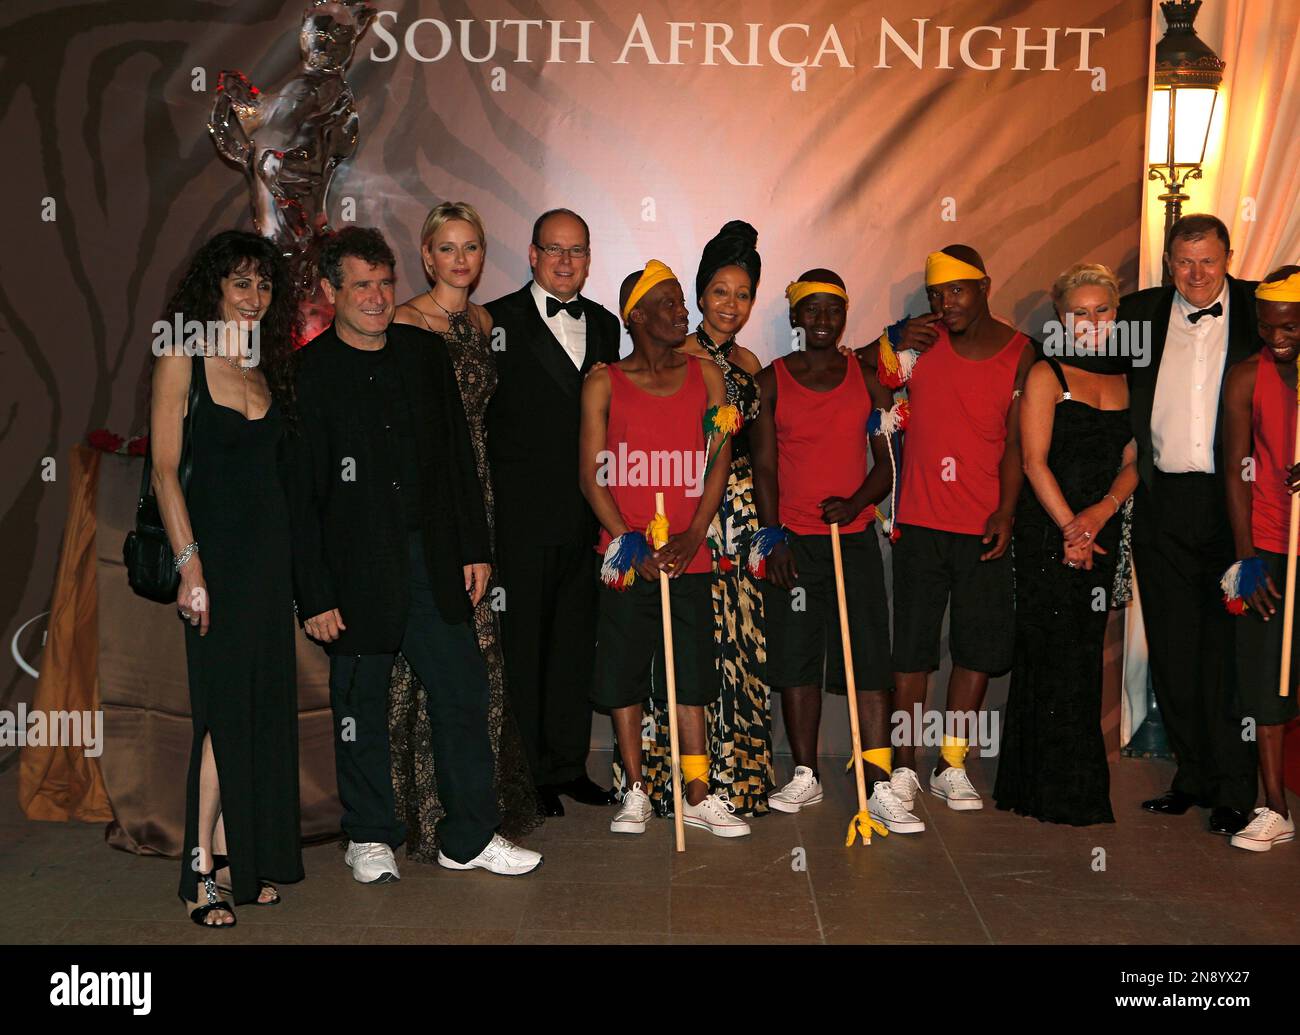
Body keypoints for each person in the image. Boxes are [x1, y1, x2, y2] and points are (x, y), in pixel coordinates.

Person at [283, 226, 541, 879]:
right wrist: (315, 594)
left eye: (384, 282)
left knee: (462, 689)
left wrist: (473, 548)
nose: (376, 297)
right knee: (360, 704)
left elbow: (457, 457)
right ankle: (368, 835)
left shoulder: (423, 353)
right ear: (330, 291)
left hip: (431, 558)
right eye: (361, 285)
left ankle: (469, 838)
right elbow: (301, 495)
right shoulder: (308, 374)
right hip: (353, 570)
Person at [1059, 214, 1259, 836]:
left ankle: (1234, 789)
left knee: (1227, 653)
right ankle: (1192, 778)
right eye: (1183, 262)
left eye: (1207, 260)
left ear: (1229, 254)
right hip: (1161, 501)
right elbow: (1070, 343)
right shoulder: (1141, 314)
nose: (1196, 275)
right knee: (1173, 647)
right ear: (1168, 263)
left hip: (1237, 504)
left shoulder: (1260, 309)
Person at [151, 230, 304, 926]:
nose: (254, 296)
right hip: (214, 562)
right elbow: (162, 469)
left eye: (264, 285)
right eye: (241, 282)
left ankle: (235, 854)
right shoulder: (181, 352)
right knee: (222, 710)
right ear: (214, 286)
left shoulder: (266, 368)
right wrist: (191, 569)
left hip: (269, 565)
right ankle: (200, 870)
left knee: (258, 708)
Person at [387, 201, 540, 858]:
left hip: (480, 496)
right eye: (446, 248)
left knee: (478, 655)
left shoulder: (483, 321)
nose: (459, 259)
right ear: (425, 256)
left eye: (471, 247)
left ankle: (472, 810)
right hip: (431, 498)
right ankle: (408, 811)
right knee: (420, 660)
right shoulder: (401, 322)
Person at [579, 260, 750, 838]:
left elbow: (719, 457)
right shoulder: (604, 381)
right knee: (624, 674)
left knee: (691, 676)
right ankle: (635, 789)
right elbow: (591, 477)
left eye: (682, 303)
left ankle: (698, 793)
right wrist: (629, 543)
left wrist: (695, 532)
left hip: (688, 553)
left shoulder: (708, 375)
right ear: (637, 315)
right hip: (629, 558)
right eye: (671, 303)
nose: (684, 313)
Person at [612, 221, 773, 816]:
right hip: (689, 510)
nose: (731, 305)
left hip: (741, 517)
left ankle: (732, 783)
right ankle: (658, 783)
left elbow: (759, 448)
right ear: (700, 296)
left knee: (734, 647)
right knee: (675, 644)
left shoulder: (750, 361)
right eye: (720, 292)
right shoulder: (677, 354)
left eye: (744, 294)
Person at [751, 270, 920, 834]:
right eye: (812, 310)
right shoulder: (772, 380)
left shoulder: (867, 378)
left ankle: (877, 782)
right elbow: (766, 467)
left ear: (844, 316)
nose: (823, 320)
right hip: (795, 545)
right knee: (798, 657)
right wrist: (772, 536)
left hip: (853, 542)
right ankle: (804, 773)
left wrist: (853, 504)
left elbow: (888, 462)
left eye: (833, 310)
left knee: (867, 661)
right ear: (796, 317)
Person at [888, 246, 1037, 812]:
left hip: (983, 526)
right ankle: (904, 768)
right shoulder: (917, 344)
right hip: (919, 523)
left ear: (985, 287)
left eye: (956, 291)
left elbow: (1019, 442)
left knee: (975, 649)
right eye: (935, 294)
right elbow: (868, 389)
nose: (944, 304)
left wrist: (1005, 510)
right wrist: (895, 343)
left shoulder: (1022, 352)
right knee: (912, 653)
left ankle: (952, 762)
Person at [484, 209, 622, 817]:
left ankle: (569, 766)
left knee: (573, 645)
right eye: (555, 250)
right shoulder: (495, 319)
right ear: (533, 255)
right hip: (520, 517)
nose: (566, 262)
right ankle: (527, 772)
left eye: (578, 251)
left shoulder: (607, 325)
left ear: (589, 260)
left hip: (588, 517)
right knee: (525, 647)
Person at [993, 263, 1137, 825]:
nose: (1092, 321)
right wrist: (1070, 529)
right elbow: (1032, 462)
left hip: (1100, 531)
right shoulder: (1047, 374)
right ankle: (1041, 787)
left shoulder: (1130, 376)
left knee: (1083, 656)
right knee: (1048, 652)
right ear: (1061, 316)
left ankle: (1075, 785)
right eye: (1080, 311)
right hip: (1049, 534)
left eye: (1102, 309)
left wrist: (1100, 515)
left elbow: (1134, 462)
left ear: (1116, 314)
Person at [1219, 265, 1300, 851]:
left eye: (1291, 327)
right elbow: (1234, 471)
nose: (1278, 338)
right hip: (1272, 544)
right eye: (1269, 326)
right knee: (1265, 681)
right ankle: (1273, 805)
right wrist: (1246, 557)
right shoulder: (1247, 377)